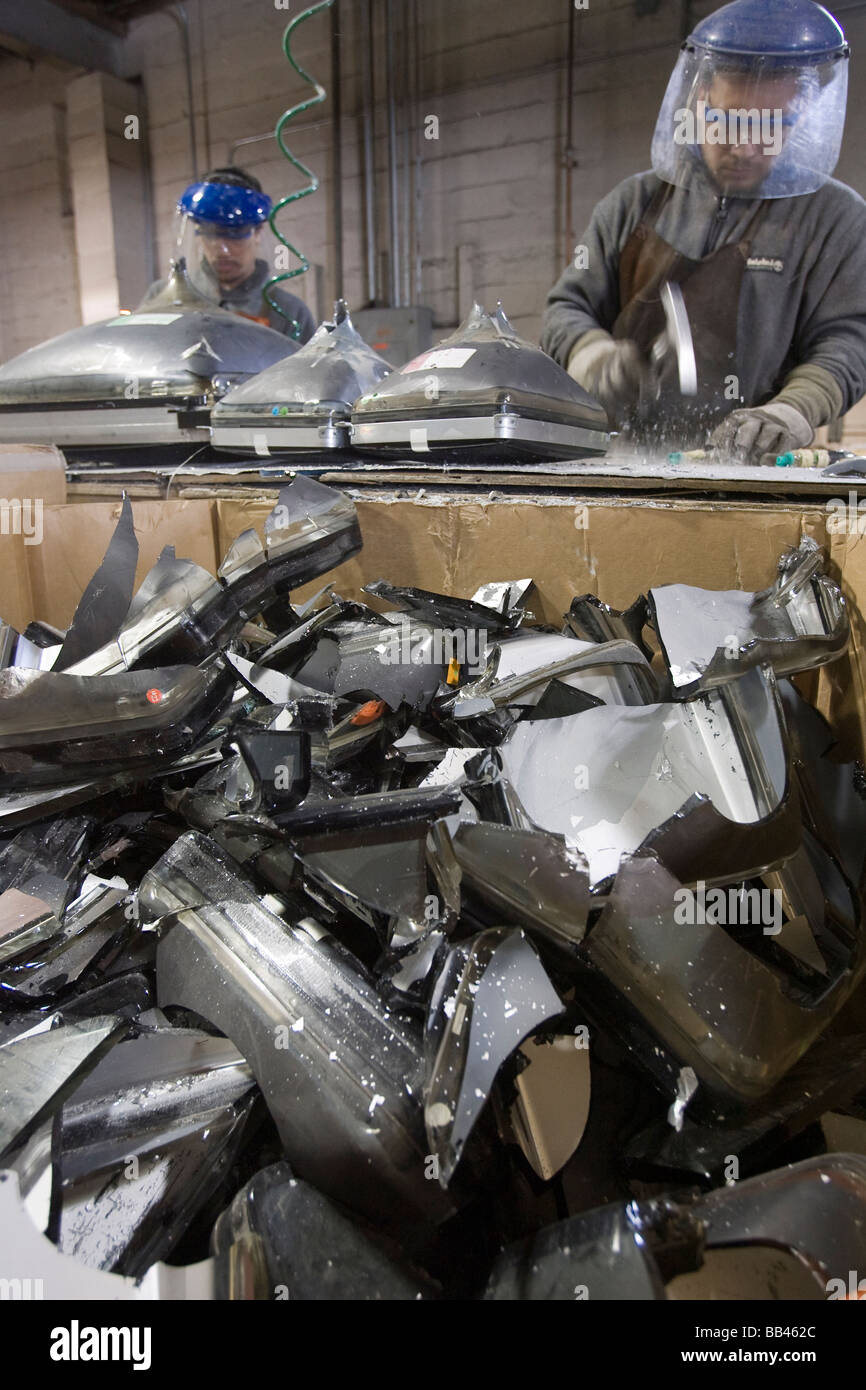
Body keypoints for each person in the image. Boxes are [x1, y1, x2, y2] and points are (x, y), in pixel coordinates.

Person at [541, 0, 866, 465]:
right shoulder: (633, 203)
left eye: (772, 126)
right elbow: (566, 306)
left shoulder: (836, 220)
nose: (745, 147)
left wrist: (792, 412)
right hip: (614, 463)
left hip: (751, 472)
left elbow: (849, 340)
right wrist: (590, 354)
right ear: (698, 103)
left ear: (803, 118)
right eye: (729, 121)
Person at [143, 167, 316, 343]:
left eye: (235, 233)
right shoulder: (163, 297)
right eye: (210, 233)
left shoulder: (288, 312)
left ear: (258, 232)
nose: (222, 249)